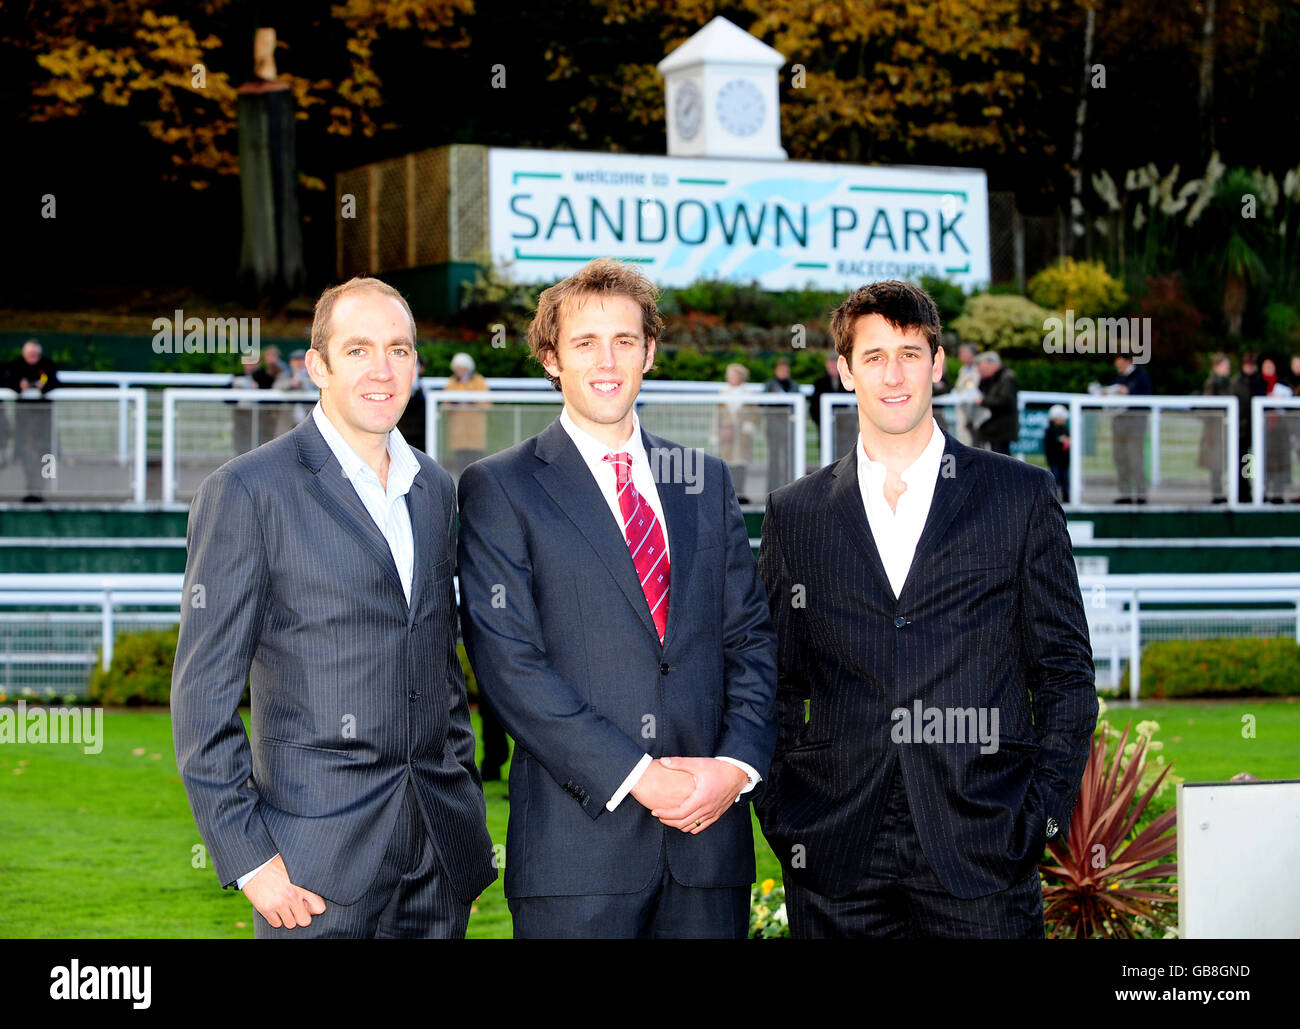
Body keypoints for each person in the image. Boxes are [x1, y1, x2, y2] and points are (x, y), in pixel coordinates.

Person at [755, 279, 1096, 939]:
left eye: (910, 353)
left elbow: (1064, 673)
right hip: (836, 854)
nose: (894, 374)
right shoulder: (794, 514)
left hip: (982, 850)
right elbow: (772, 680)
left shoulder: (1018, 495)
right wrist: (786, 812)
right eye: (874, 355)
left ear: (938, 365)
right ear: (845, 369)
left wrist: (1038, 820)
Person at [456, 258, 777, 939]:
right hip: (577, 857)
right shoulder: (500, 487)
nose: (607, 361)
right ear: (551, 357)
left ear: (649, 351)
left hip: (707, 844)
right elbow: (511, 666)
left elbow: (749, 638)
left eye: (625, 340)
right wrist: (638, 776)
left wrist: (736, 765)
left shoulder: (704, 480)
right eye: (584, 343)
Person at [172, 276, 495, 938]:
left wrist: (460, 802)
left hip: (437, 858)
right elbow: (202, 695)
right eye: (358, 350)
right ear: (316, 365)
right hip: (310, 869)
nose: (382, 369)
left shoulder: (434, 488)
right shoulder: (248, 490)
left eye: (399, 349)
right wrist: (250, 856)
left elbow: (439, 665)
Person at [5, 339, 61, 502]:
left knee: (45, 452)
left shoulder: (47, 365)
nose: (32, 357)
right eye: (30, 354)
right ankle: (31, 488)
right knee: (26, 452)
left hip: (43, 418)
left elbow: (55, 382)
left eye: (35, 354)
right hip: (24, 419)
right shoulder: (16, 366)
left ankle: (41, 489)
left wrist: (43, 387)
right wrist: (18, 385)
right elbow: (8, 381)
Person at [1110, 354, 1153, 504]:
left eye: (1121, 363)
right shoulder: (1118, 377)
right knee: (1120, 457)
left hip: (1135, 424)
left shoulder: (1141, 376)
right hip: (1119, 423)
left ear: (1128, 361)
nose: (1119, 367)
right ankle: (1125, 493)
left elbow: (1147, 399)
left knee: (1136, 458)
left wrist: (1129, 393)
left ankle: (1141, 493)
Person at [441, 352, 488, 480]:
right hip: (458, 432)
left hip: (475, 431)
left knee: (477, 461)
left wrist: (471, 402)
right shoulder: (451, 382)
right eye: (457, 369)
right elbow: (445, 405)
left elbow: (486, 403)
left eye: (462, 368)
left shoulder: (478, 381)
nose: (460, 371)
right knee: (460, 462)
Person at [717, 362, 758, 504]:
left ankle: (740, 493)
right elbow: (716, 415)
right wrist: (716, 433)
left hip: (742, 435)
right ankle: (728, 493)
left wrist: (750, 424)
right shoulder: (723, 393)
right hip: (727, 434)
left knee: (741, 464)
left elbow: (755, 413)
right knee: (728, 463)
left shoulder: (748, 393)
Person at [1230, 352, 1266, 501]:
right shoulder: (1236, 382)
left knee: (1254, 460)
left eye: (1252, 365)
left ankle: (1255, 489)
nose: (1250, 368)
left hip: (1257, 428)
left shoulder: (1259, 382)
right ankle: (1243, 491)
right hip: (1242, 429)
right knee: (1244, 460)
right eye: (1247, 365)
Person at [1198, 353, 1233, 503]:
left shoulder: (1226, 383)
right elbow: (1209, 407)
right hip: (1215, 430)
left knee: (1226, 462)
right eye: (1225, 366)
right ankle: (1217, 493)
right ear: (1216, 367)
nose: (1227, 369)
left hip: (1222, 430)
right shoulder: (1213, 383)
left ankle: (1225, 491)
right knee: (1216, 463)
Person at [1261, 356, 1293, 503]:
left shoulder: (1282, 385)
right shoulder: (1257, 384)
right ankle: (1261, 491)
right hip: (1262, 430)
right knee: (1258, 461)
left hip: (1279, 430)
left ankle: (1278, 492)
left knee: (1279, 462)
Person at [763, 357, 798, 494]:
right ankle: (772, 488)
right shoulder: (770, 385)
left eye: (786, 370)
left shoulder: (793, 385)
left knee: (789, 458)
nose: (783, 372)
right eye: (781, 369)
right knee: (774, 459)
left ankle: (789, 487)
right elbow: (763, 404)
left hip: (788, 429)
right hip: (773, 427)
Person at [973, 351, 1018, 455]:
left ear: (994, 364)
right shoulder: (996, 378)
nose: (983, 371)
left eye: (985, 368)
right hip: (995, 429)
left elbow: (1005, 401)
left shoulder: (1007, 377)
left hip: (1001, 429)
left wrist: (983, 401)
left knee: (1001, 461)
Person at [810, 351, 849, 454]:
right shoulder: (819, 383)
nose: (832, 365)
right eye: (830, 363)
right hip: (825, 428)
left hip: (845, 429)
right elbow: (814, 407)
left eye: (834, 363)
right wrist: (822, 422)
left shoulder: (849, 382)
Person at [271, 348, 316, 437]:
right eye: (296, 360)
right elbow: (276, 386)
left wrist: (303, 380)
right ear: (291, 362)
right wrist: (292, 383)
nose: (299, 363)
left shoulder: (315, 375)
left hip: (308, 419)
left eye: (301, 360)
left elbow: (315, 389)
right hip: (287, 420)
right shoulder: (285, 375)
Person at [952, 342, 982, 446]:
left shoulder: (979, 368)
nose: (960, 355)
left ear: (971, 354)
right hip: (962, 408)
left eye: (962, 352)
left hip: (974, 409)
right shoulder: (964, 369)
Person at [1044, 404, 1071, 503]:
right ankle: (1053, 499)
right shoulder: (1050, 430)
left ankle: (1066, 498)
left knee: (1065, 480)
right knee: (1054, 480)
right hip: (1054, 461)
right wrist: (1059, 440)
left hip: (1064, 461)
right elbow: (1050, 443)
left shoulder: (1065, 429)